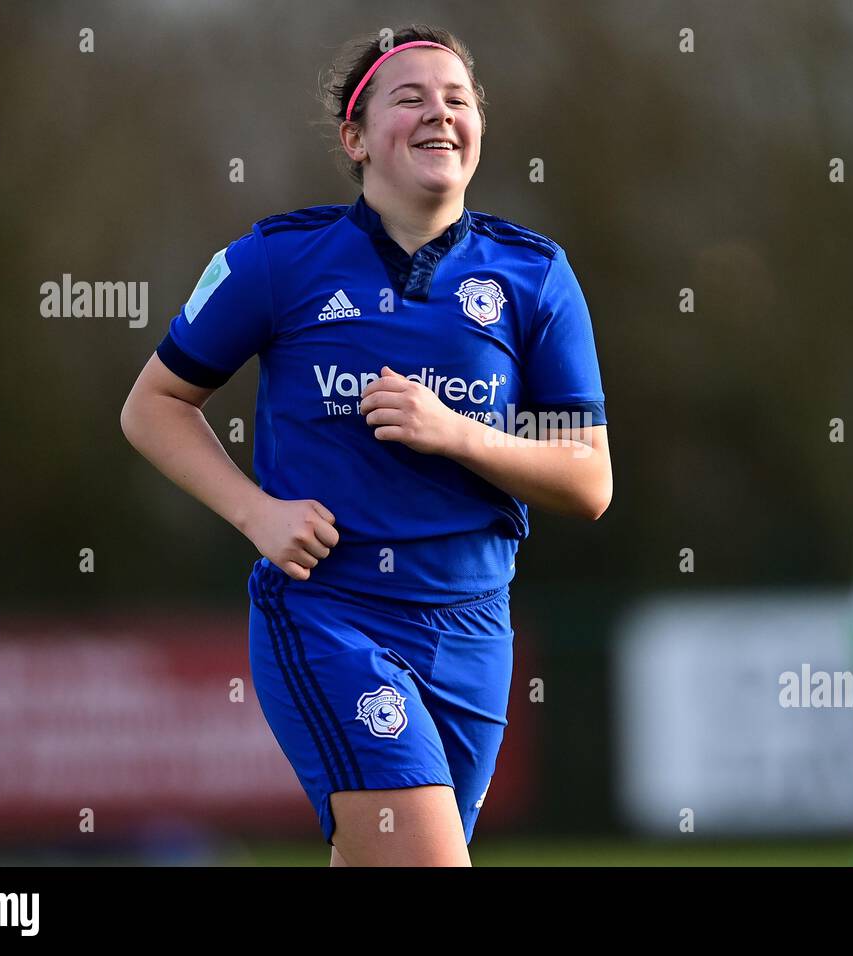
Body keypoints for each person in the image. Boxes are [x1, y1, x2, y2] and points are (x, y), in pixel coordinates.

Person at [120, 25, 612, 866]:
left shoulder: (534, 275)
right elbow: (154, 405)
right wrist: (255, 513)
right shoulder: (278, 259)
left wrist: (456, 433)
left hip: (473, 628)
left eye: (458, 99)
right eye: (410, 97)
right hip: (332, 613)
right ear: (355, 137)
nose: (440, 113)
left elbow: (588, 479)